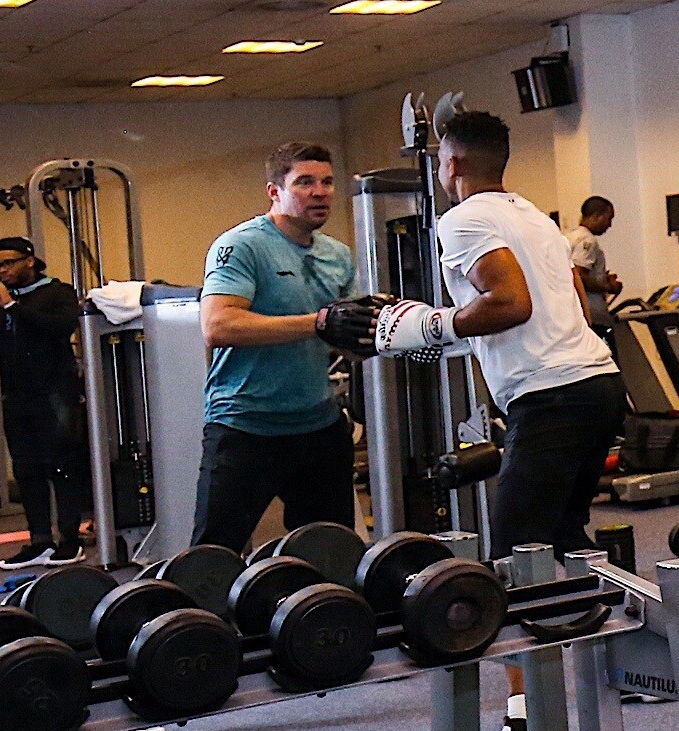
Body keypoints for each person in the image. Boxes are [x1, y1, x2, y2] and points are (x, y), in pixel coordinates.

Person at [324, 107, 627, 563]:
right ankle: (604, 619)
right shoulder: (537, 218)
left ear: (453, 164)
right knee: (563, 534)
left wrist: (432, 324)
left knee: (514, 549)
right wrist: (452, 336)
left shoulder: (461, 219)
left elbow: (510, 303)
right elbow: (575, 308)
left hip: (552, 398)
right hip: (600, 385)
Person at [196, 143, 359, 551]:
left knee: (330, 551)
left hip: (318, 426)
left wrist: (390, 330)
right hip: (246, 426)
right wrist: (318, 323)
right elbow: (218, 324)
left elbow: (347, 341)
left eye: (326, 182)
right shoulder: (242, 246)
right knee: (214, 556)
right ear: (274, 192)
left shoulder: (337, 254)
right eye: (304, 182)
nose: (319, 192)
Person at [0, 236, 90, 564]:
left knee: (62, 466)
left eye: (8, 263)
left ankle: (69, 539)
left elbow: (59, 328)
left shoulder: (57, 292)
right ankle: (39, 541)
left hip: (55, 392)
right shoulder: (0, 302)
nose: (2, 271)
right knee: (27, 469)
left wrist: (13, 306)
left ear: (29, 260)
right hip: (17, 396)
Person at [567, 196, 621, 333]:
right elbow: (579, 276)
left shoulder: (569, 237)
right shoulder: (588, 240)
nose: (610, 225)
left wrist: (600, 278)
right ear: (597, 216)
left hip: (574, 313)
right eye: (609, 218)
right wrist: (609, 286)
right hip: (592, 315)